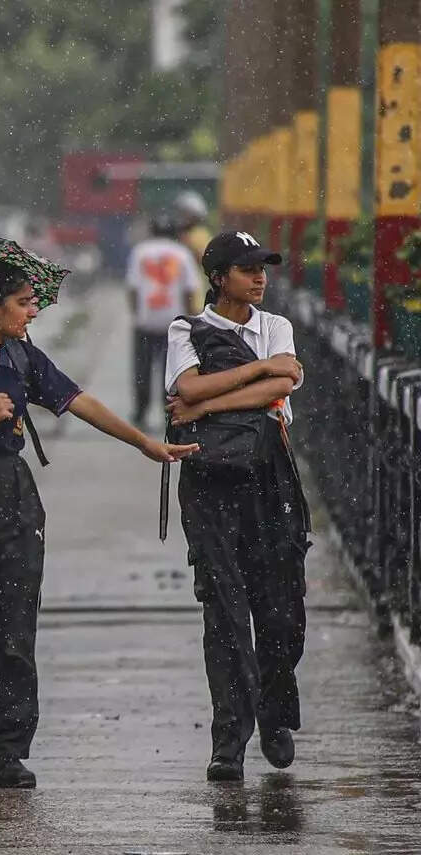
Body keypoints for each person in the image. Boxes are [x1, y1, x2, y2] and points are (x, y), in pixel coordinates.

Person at [0, 259, 197, 788]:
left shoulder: (22, 356)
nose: (33, 310)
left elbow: (78, 400)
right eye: (23, 302)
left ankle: (10, 752)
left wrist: (143, 443)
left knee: (16, 630)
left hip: (14, 496)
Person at [164, 231, 309, 782]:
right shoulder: (187, 330)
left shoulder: (277, 327)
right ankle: (230, 737)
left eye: (263, 268)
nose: (259, 278)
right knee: (224, 611)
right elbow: (185, 387)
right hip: (211, 479)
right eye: (246, 269)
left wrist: (214, 392)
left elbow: (285, 381)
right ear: (218, 277)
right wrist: (258, 374)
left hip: (271, 477)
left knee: (282, 609)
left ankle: (275, 712)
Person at [125, 212, 202, 429]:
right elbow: (190, 290)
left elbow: (132, 288)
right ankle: (169, 413)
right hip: (173, 322)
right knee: (171, 372)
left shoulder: (140, 252)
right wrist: (191, 320)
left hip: (146, 321)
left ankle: (141, 412)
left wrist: (136, 313)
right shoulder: (182, 253)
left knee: (142, 369)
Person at [175, 190, 212, 315]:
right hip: (187, 296)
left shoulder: (198, 235)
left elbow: (204, 260)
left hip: (195, 297)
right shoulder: (189, 234)